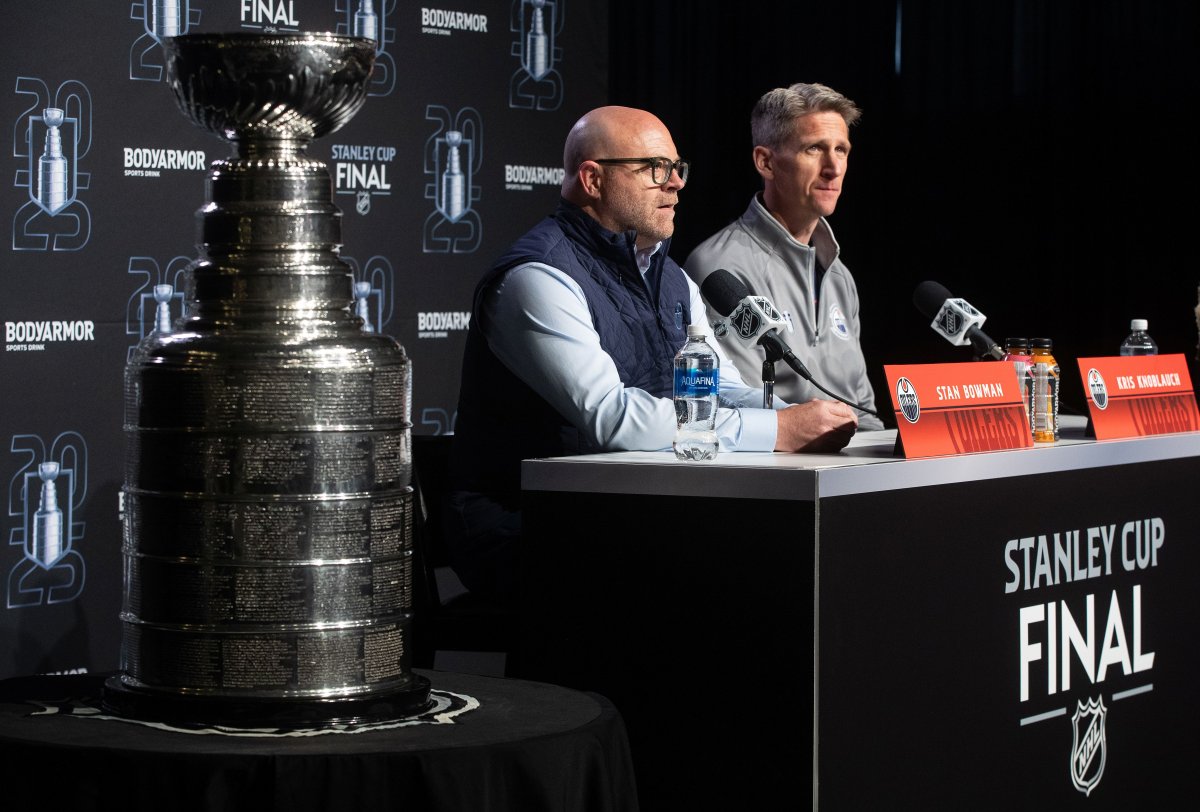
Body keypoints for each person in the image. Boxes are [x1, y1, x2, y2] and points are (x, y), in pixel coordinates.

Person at [444, 105, 858, 603]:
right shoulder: (538, 278)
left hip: (624, 512)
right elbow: (611, 419)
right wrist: (779, 432)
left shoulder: (674, 279)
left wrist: (799, 416)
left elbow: (719, 389)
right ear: (593, 179)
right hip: (526, 525)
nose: (675, 184)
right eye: (654, 170)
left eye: (677, 169)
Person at [685, 82, 885, 430]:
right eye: (814, 149)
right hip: (773, 472)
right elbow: (738, 405)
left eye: (842, 150)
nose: (833, 168)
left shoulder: (841, 277)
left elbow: (864, 410)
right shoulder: (720, 268)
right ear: (766, 162)